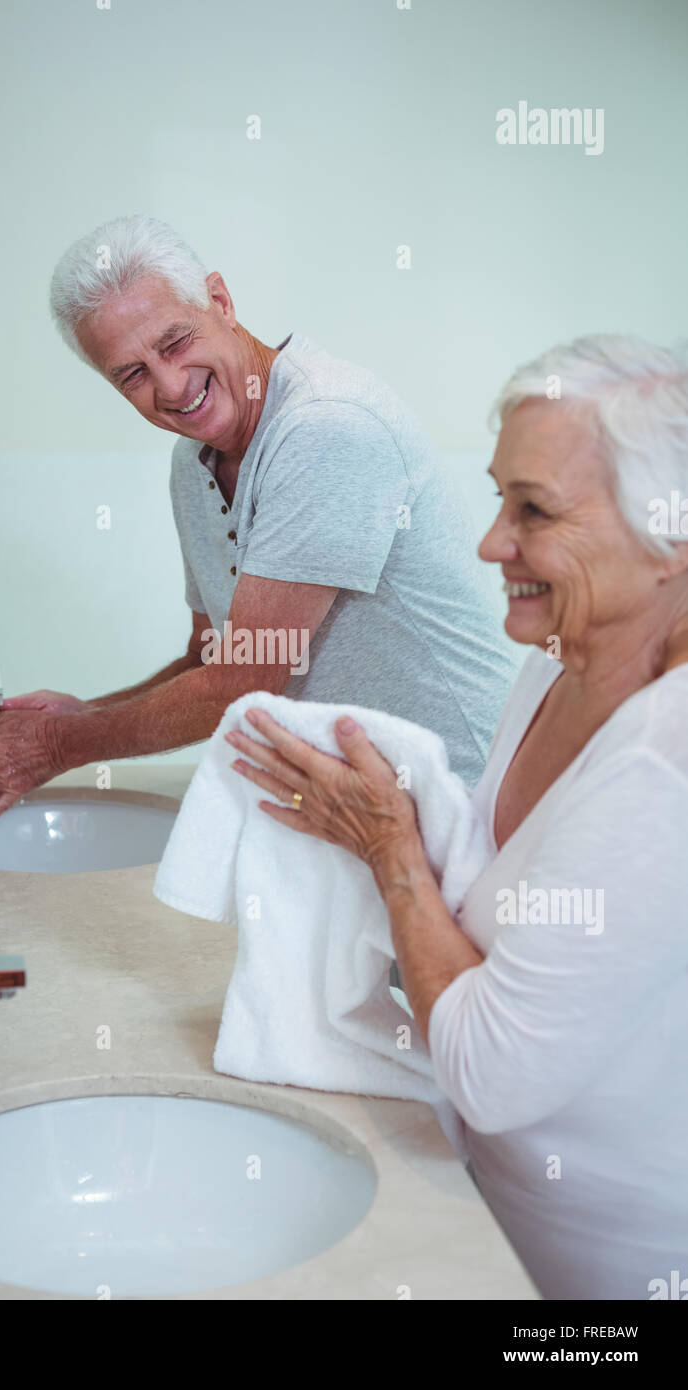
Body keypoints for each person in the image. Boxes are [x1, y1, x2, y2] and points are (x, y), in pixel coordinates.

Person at [223, 334, 688, 1300]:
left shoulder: (663, 764)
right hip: (490, 1222)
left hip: (612, 1271)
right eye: (498, 497)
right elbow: (501, 903)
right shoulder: (557, 660)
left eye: (536, 510)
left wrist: (391, 848)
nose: (490, 543)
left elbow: (489, 1069)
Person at [0, 214, 516, 834]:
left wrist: (62, 744)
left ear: (221, 302)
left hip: (462, 805)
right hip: (361, 812)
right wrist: (80, 715)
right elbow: (211, 658)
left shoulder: (325, 426)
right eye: (132, 374)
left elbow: (242, 679)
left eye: (174, 343)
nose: (171, 386)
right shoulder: (193, 461)